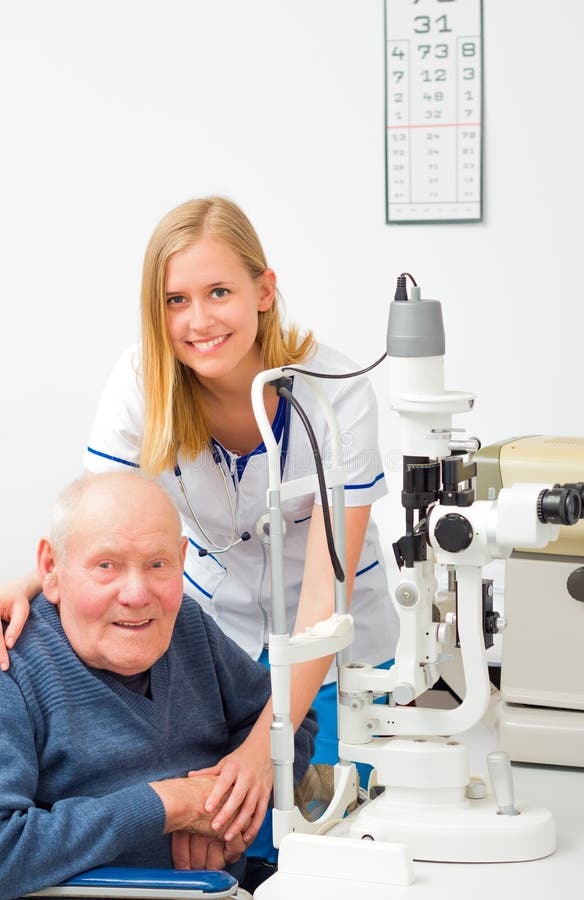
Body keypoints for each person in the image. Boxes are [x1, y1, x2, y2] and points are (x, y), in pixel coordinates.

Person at [0, 195, 397, 855]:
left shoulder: (335, 392)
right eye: (176, 300)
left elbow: (327, 596)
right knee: (227, 829)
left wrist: (260, 753)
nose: (199, 320)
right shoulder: (140, 383)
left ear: (264, 291)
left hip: (333, 645)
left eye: (219, 292)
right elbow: (99, 524)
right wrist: (28, 585)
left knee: (325, 840)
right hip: (225, 632)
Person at [0, 471, 317, 900]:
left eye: (157, 564)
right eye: (106, 565)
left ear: (182, 560)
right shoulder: (12, 665)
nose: (136, 593)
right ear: (51, 569)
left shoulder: (188, 627)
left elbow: (294, 718)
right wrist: (172, 805)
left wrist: (228, 807)